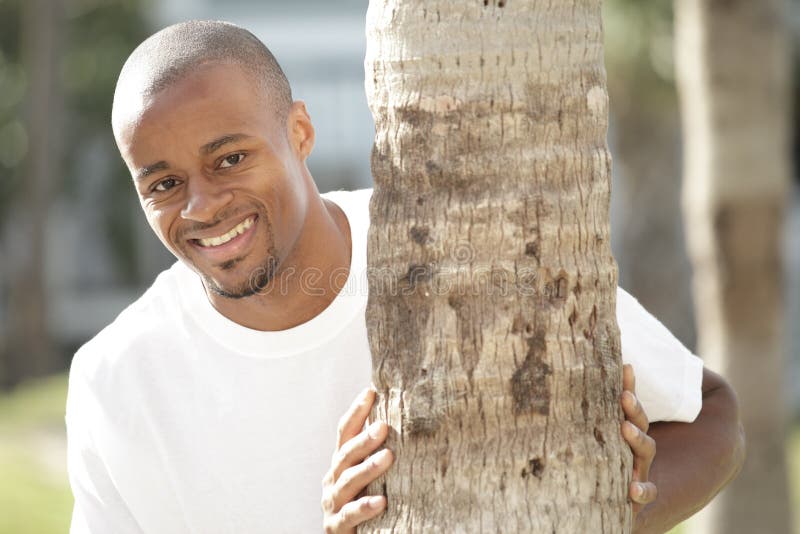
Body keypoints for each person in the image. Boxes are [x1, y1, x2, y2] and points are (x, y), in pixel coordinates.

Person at [65, 20, 744, 534]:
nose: (201, 206)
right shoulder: (116, 383)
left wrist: (596, 506)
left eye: (231, 159)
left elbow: (712, 414)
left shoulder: (460, 254)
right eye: (163, 183)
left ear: (298, 132)